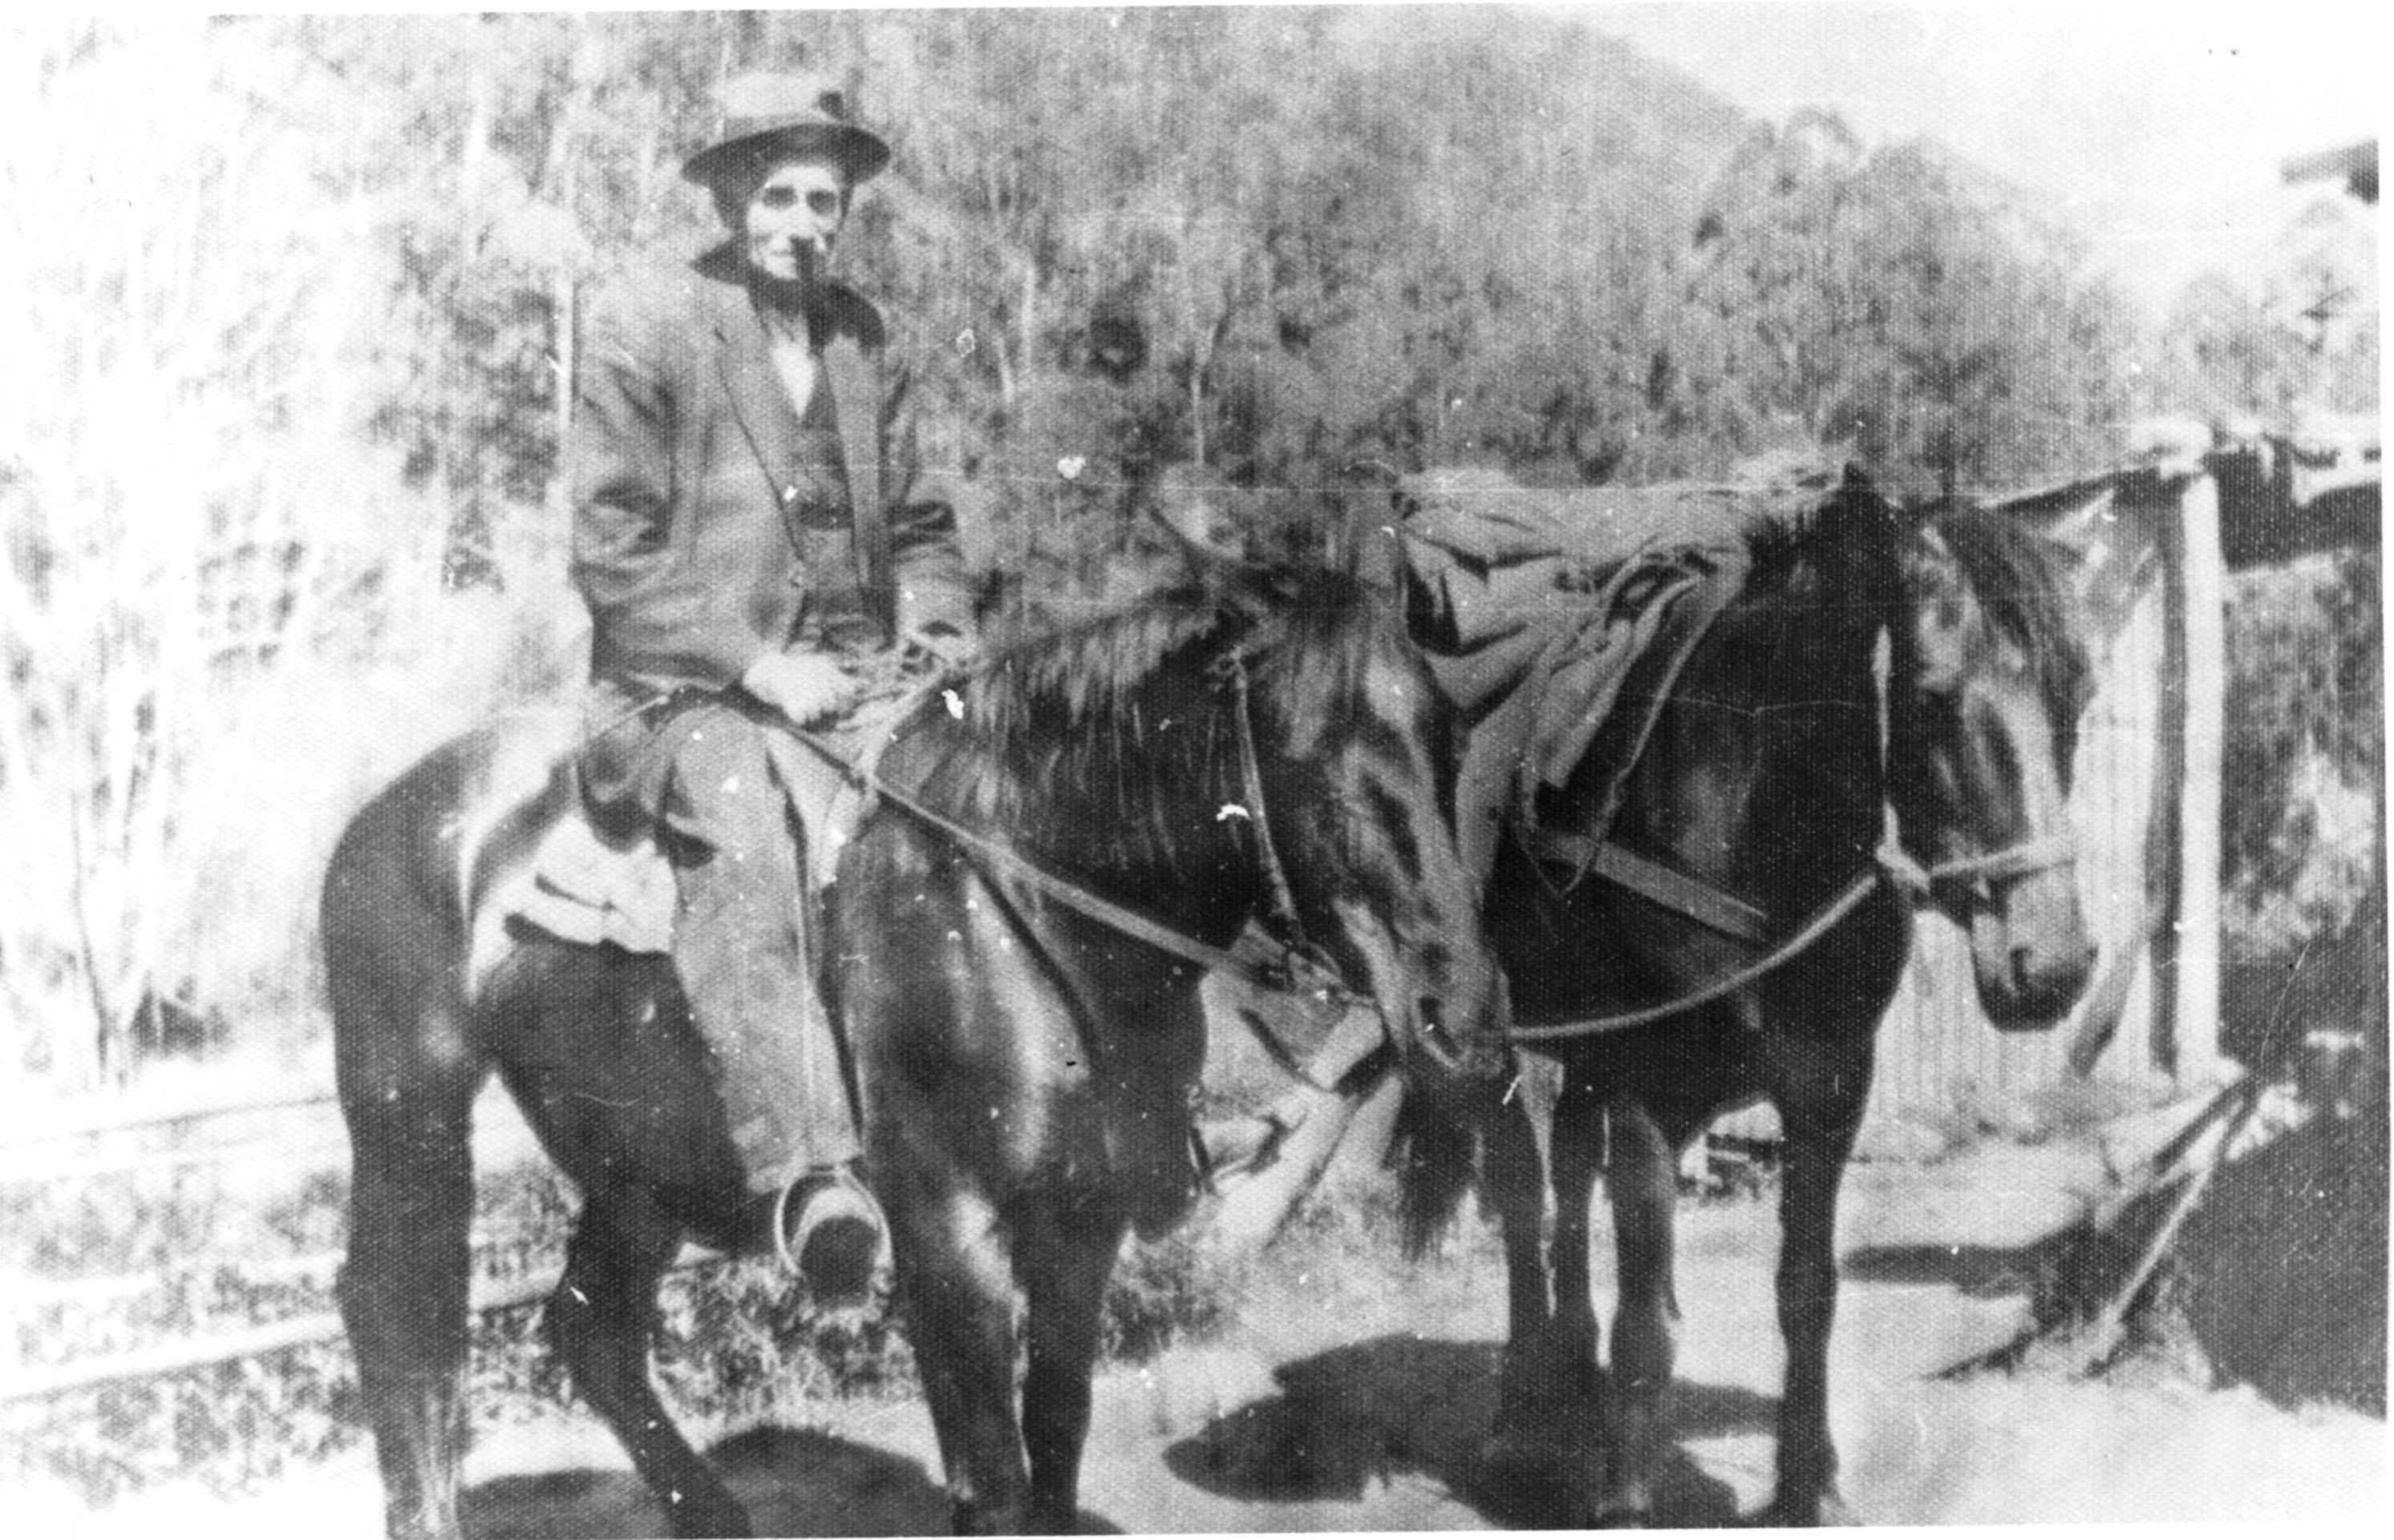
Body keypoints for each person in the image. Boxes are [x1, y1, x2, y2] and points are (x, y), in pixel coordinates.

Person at [568, 72, 974, 1303]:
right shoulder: (648, 323)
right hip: (679, 695)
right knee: (747, 829)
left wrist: (944, 626)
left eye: (827, 202)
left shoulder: (862, 338)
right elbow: (609, 548)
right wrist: (751, 664)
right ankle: (814, 1180)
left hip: (854, 680)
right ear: (734, 194)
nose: (804, 222)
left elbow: (920, 527)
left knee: (980, 808)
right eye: (780, 195)